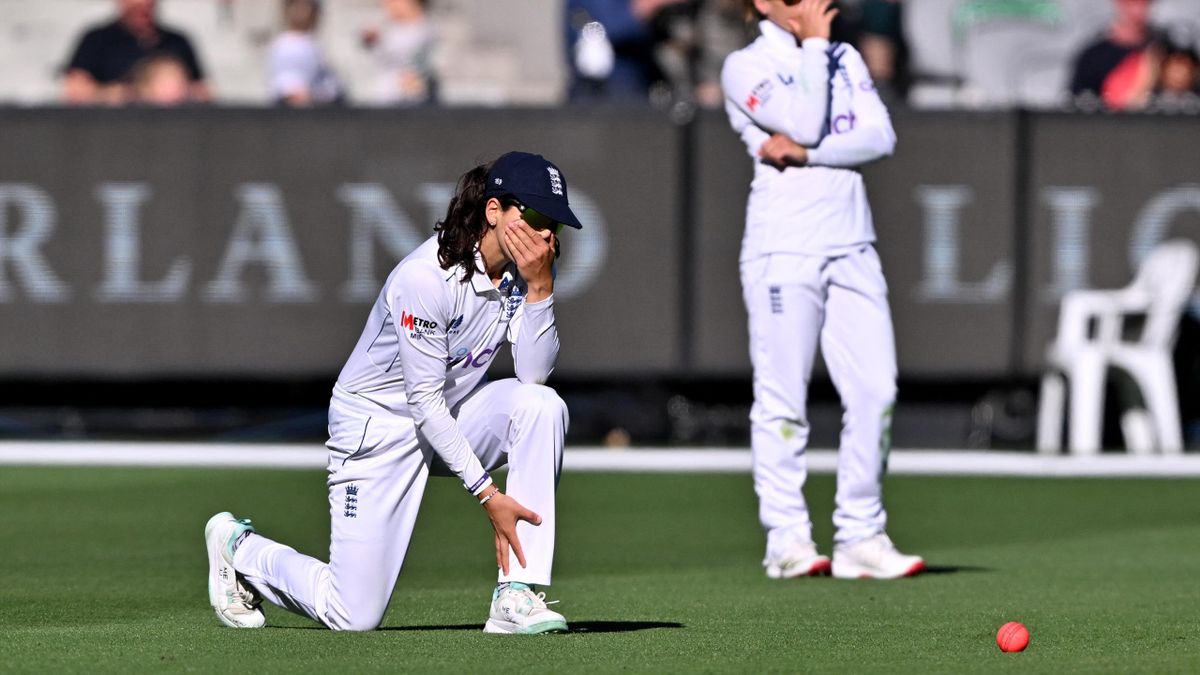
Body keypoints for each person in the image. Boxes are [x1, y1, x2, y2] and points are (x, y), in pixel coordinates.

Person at [204, 151, 583, 633]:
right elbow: (423, 402)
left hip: (455, 413)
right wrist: (489, 494)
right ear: (494, 211)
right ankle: (238, 549)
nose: (546, 234)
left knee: (541, 406)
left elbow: (534, 374)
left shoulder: (524, 275)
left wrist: (541, 290)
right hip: (377, 427)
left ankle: (517, 592)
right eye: (536, 217)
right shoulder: (424, 277)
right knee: (353, 614)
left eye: (555, 224)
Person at [720, 0, 924, 580]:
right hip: (785, 246)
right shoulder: (745, 66)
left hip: (853, 244)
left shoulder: (845, 57)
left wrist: (808, 154)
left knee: (876, 391)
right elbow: (809, 119)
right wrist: (813, 49)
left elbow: (879, 137)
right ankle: (786, 539)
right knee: (783, 397)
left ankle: (861, 532)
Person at [62, 0, 209, 105]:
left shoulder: (177, 41)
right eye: (136, 7)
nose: (143, 5)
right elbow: (74, 90)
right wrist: (114, 94)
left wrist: (175, 91)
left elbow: (203, 91)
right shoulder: (97, 39)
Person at [1070, 0, 1166, 110]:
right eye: (1130, 3)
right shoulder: (1093, 57)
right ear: (1118, 4)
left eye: (1143, 3)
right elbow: (1078, 105)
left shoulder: (1164, 50)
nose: (1137, 10)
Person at [268, 0, 344, 106]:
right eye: (297, 6)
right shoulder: (285, 45)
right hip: (298, 111)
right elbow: (292, 91)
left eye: (306, 6)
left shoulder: (313, 44)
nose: (303, 11)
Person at [361, 0, 436, 106]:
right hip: (383, 99)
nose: (388, 4)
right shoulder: (386, 29)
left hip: (412, 101)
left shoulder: (430, 31)